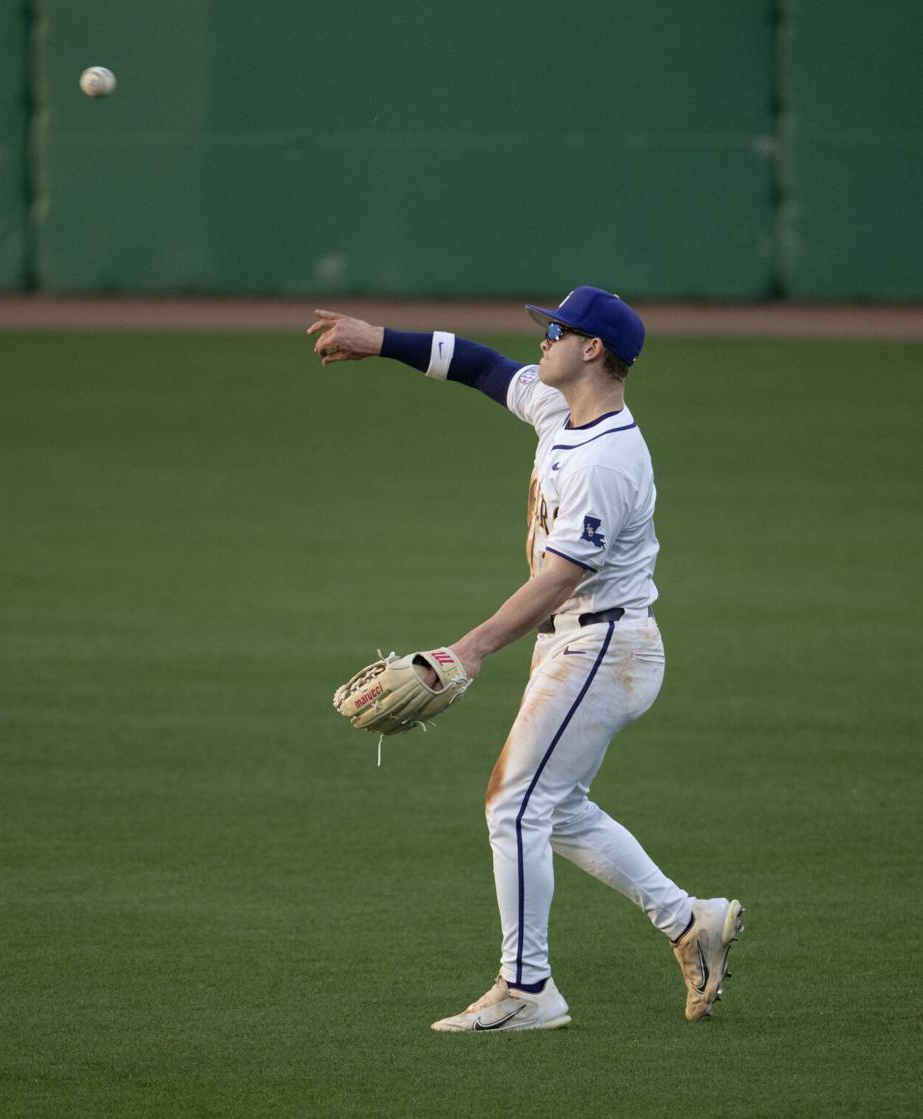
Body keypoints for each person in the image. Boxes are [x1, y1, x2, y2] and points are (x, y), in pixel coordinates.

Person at [308, 287, 743, 1032]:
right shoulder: (559, 409)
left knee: (513, 804)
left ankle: (527, 988)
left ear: (592, 349)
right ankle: (690, 920)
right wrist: (380, 339)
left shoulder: (609, 458)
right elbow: (477, 364)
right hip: (580, 642)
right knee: (555, 806)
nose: (542, 341)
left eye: (556, 332)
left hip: (605, 646)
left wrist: (466, 650)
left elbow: (559, 577)